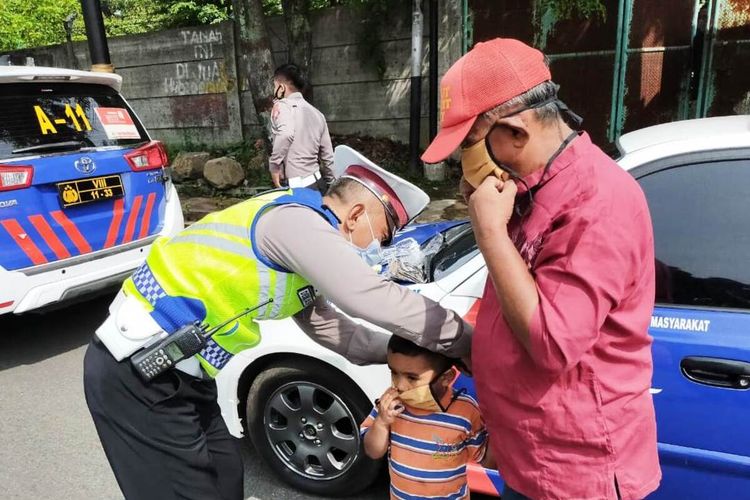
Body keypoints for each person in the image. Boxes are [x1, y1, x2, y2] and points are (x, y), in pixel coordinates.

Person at [83, 145, 473, 500]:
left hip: (186, 380)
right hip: (137, 374)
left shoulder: (300, 254)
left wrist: (404, 355)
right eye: (383, 237)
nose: (379, 249)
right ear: (355, 215)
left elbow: (332, 330)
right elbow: (366, 295)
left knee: (224, 478)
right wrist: (466, 342)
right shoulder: (295, 223)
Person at [421, 38, 661, 500]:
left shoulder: (596, 203)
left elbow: (552, 343)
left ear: (514, 131)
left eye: (469, 144)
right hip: (530, 455)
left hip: (574, 472)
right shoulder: (527, 188)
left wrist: (489, 231)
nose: (462, 161)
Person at [361, 335, 488, 500]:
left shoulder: (466, 410)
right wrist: (381, 423)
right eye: (394, 372)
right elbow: (373, 451)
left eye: (412, 378)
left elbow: (485, 458)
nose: (399, 385)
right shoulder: (390, 405)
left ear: (446, 378)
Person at [269, 63, 335, 193]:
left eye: (275, 86)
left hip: (298, 189)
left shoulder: (282, 107)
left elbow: (286, 134)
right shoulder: (317, 114)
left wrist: (274, 166)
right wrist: (331, 184)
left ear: (281, 88)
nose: (274, 90)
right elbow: (328, 157)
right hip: (318, 184)